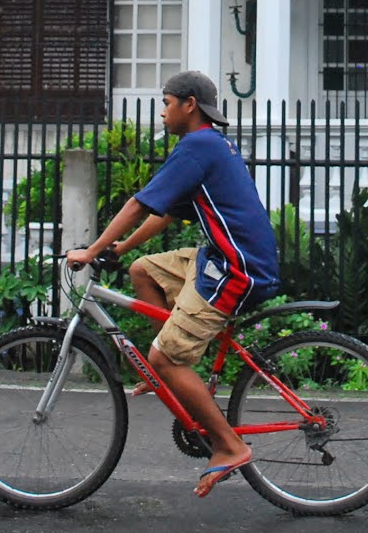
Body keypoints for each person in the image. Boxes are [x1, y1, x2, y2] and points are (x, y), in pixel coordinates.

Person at [65, 69, 280, 497]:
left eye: (166, 103)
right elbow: (161, 212)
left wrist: (91, 251)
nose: (162, 112)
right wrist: (121, 249)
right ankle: (171, 368)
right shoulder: (207, 146)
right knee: (143, 271)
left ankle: (229, 445)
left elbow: (138, 202)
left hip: (238, 269)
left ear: (189, 105)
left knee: (164, 358)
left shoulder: (198, 145)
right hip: (221, 258)